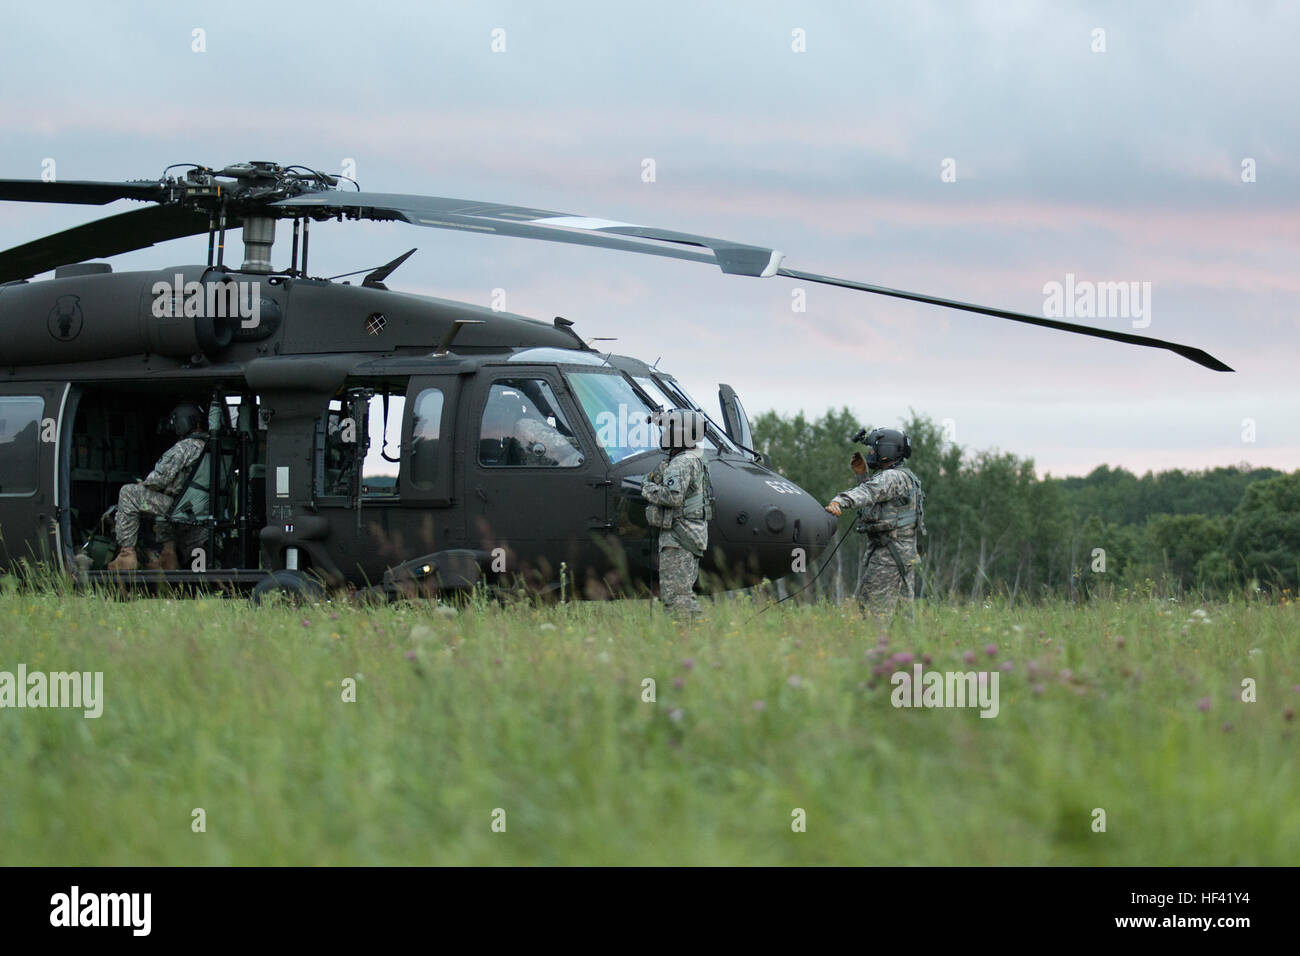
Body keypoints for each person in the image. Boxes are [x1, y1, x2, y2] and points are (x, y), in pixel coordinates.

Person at [825, 427, 925, 617]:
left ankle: (871, 646)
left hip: (888, 557)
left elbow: (869, 493)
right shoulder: (904, 476)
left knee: (871, 613)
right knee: (902, 617)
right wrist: (862, 476)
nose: (870, 453)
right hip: (903, 554)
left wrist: (839, 501)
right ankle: (902, 647)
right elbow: (877, 498)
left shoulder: (891, 477)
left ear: (886, 452)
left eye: (873, 449)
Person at [107, 402, 209, 572]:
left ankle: (126, 555)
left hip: (183, 508)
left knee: (128, 493)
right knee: (165, 503)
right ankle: (168, 555)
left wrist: (145, 484)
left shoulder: (185, 447)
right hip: (203, 508)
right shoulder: (212, 447)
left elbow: (158, 479)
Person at [641, 409, 713, 620]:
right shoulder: (696, 457)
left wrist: (646, 488)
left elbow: (672, 497)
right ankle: (692, 633)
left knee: (676, 596)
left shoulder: (681, 462)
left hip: (679, 537)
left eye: (668, 428)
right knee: (682, 593)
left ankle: (692, 634)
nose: (664, 432)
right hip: (691, 535)